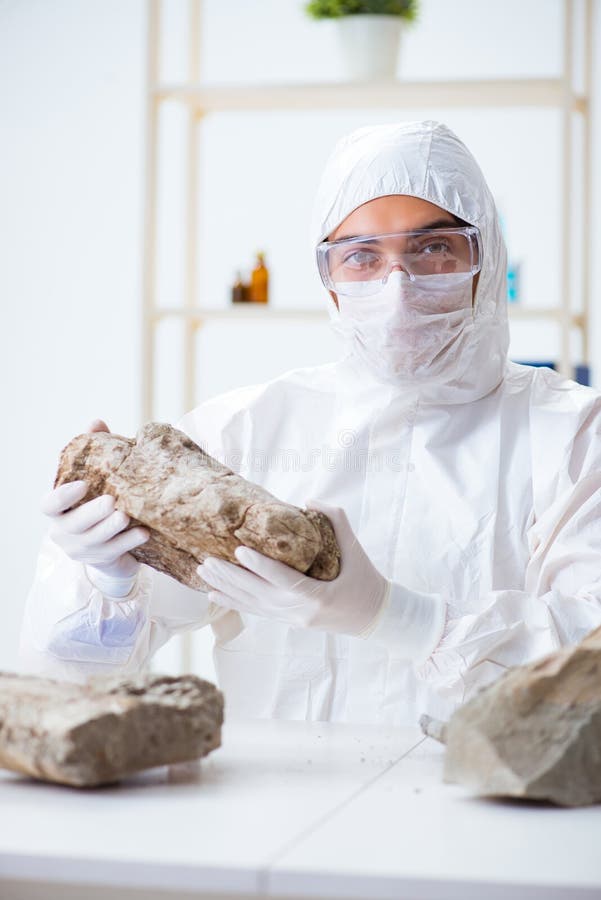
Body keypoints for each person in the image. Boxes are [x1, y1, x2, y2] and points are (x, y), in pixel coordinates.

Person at [20, 120, 601, 725]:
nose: (397, 288)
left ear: (484, 258)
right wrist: (107, 586)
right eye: (361, 256)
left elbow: (592, 662)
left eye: (433, 248)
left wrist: (399, 617)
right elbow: (67, 693)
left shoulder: (574, 433)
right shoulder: (244, 429)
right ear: (327, 280)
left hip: (502, 807)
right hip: (277, 808)